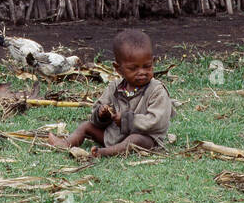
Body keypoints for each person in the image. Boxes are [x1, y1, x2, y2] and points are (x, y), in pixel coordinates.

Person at [48, 28, 173, 156]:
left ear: (153, 62)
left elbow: (158, 122)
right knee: (86, 126)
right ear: (118, 69)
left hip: (145, 140)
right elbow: (96, 112)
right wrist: (102, 114)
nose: (141, 72)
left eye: (147, 66)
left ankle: (105, 152)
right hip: (113, 136)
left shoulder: (156, 90)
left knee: (134, 139)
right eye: (133, 68)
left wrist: (127, 120)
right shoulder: (115, 87)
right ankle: (66, 143)